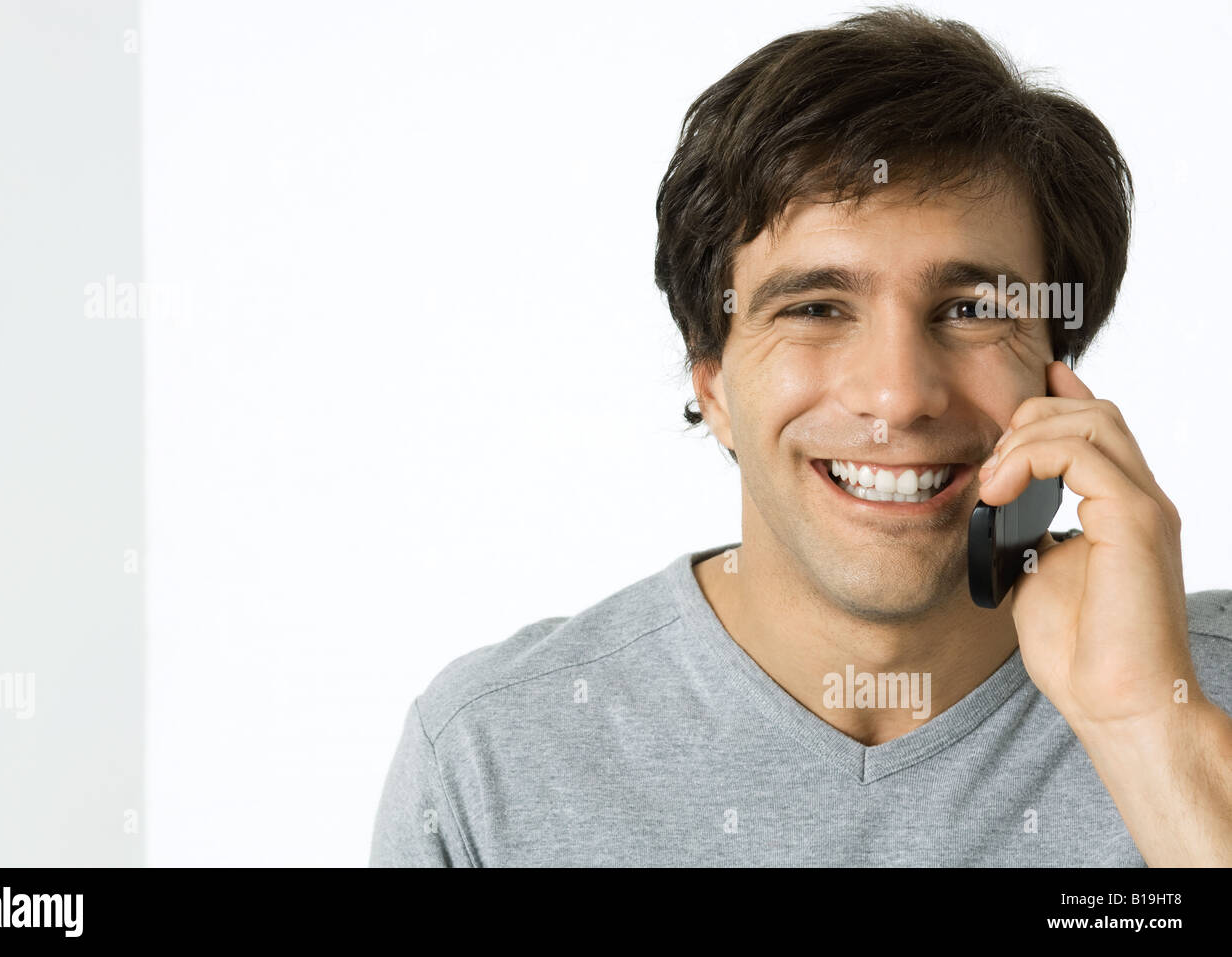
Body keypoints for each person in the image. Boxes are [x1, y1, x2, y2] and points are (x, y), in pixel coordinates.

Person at [369, 7, 1232, 866]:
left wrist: (1155, 734)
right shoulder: (493, 758)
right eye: (815, 308)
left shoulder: (1204, 698)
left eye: (973, 311)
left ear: (1058, 371)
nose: (898, 396)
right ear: (713, 386)